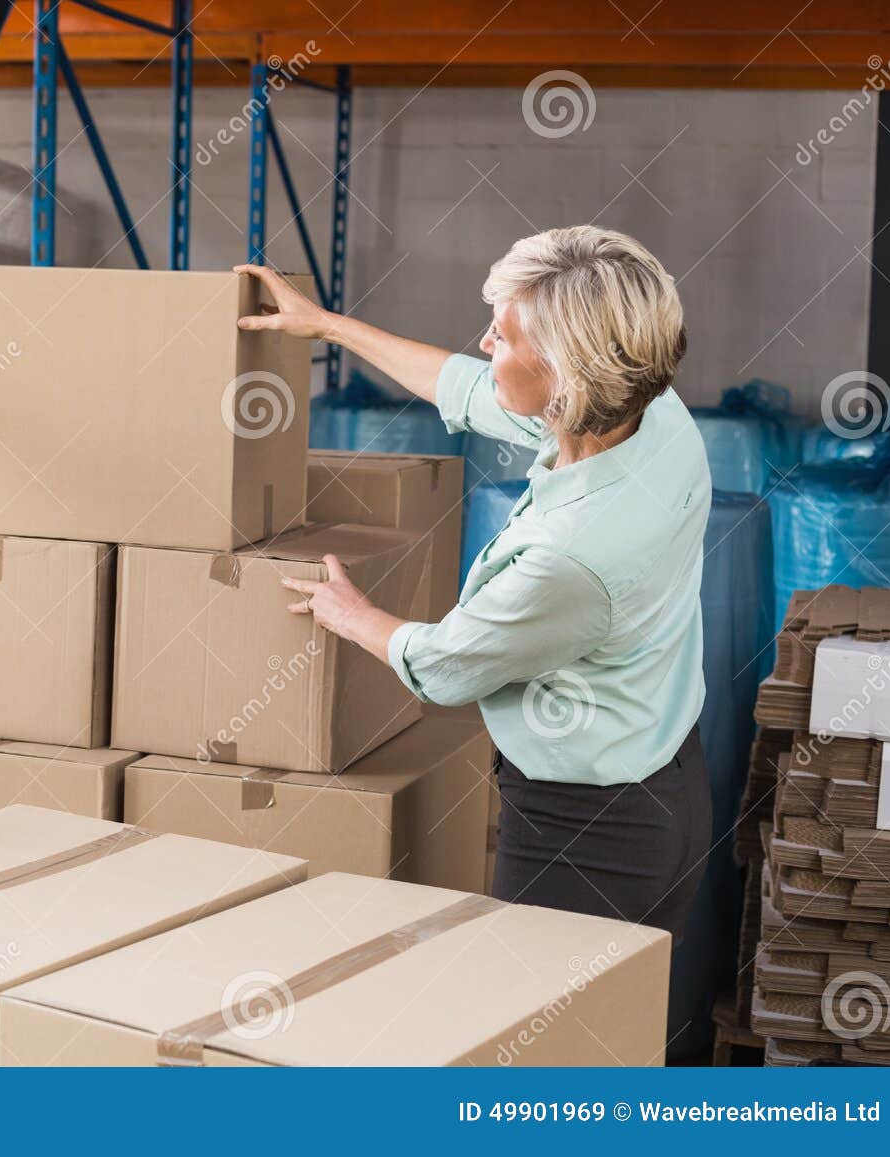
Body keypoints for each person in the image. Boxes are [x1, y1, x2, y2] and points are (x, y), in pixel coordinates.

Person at [237, 225, 712, 943]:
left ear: (565, 376)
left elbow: (445, 666)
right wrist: (326, 326)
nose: (485, 345)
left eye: (502, 335)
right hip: (666, 773)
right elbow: (463, 387)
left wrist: (352, 612)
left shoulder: (573, 557)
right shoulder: (652, 415)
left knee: (541, 1045)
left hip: (592, 834)